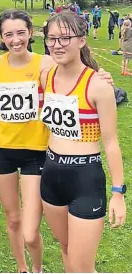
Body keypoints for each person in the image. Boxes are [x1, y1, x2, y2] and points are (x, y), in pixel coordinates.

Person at [0, 9, 113, 273]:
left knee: (31, 233)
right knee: (13, 220)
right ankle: (24, 269)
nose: (16, 39)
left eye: (21, 32)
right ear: (1, 36)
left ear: (31, 34)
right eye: (8, 34)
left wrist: (100, 75)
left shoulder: (46, 63)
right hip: (4, 147)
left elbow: (74, 72)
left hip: (38, 151)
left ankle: (37, 267)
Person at [40, 11, 126, 272]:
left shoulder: (98, 86)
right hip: (52, 174)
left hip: (85, 178)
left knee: (83, 266)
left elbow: (111, 142)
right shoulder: (46, 76)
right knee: (66, 250)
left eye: (65, 38)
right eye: (52, 38)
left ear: (81, 40)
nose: (57, 44)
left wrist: (118, 193)